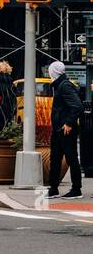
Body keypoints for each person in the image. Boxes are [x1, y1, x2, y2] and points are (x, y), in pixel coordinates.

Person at [48, 61, 83, 199]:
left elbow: (77, 106)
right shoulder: (60, 85)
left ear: (54, 72)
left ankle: (76, 189)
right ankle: (53, 188)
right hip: (58, 129)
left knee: (71, 159)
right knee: (55, 159)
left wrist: (68, 123)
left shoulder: (64, 86)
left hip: (66, 129)